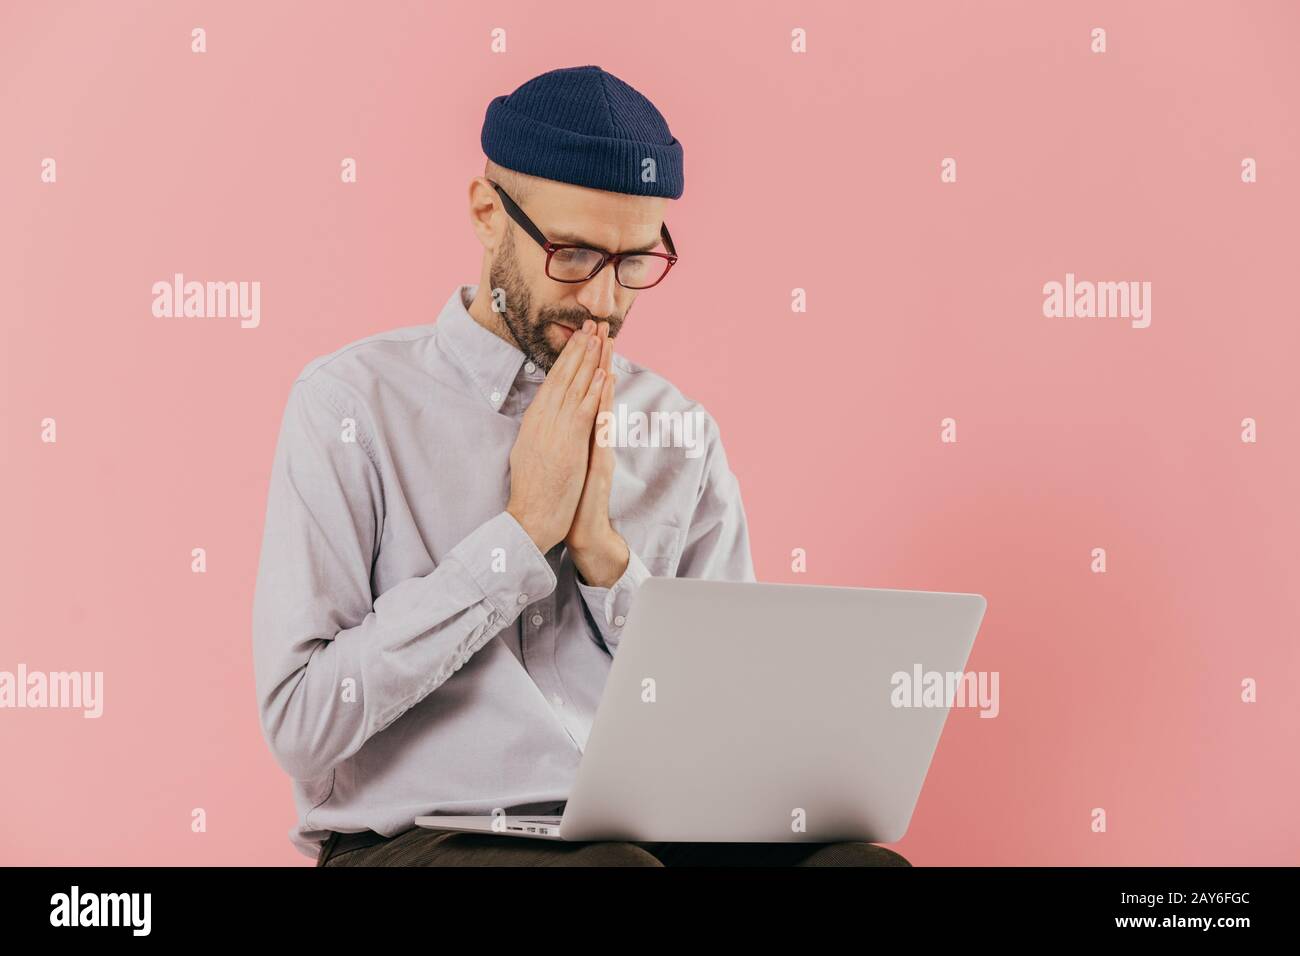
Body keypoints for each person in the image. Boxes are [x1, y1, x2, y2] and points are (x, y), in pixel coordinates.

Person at [252, 64, 909, 867]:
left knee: (862, 868)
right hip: (425, 838)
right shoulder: (351, 405)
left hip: (648, 835)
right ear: (488, 214)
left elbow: (735, 730)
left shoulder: (681, 432)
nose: (604, 301)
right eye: (575, 254)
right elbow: (301, 722)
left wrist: (607, 560)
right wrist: (521, 537)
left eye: (636, 260)